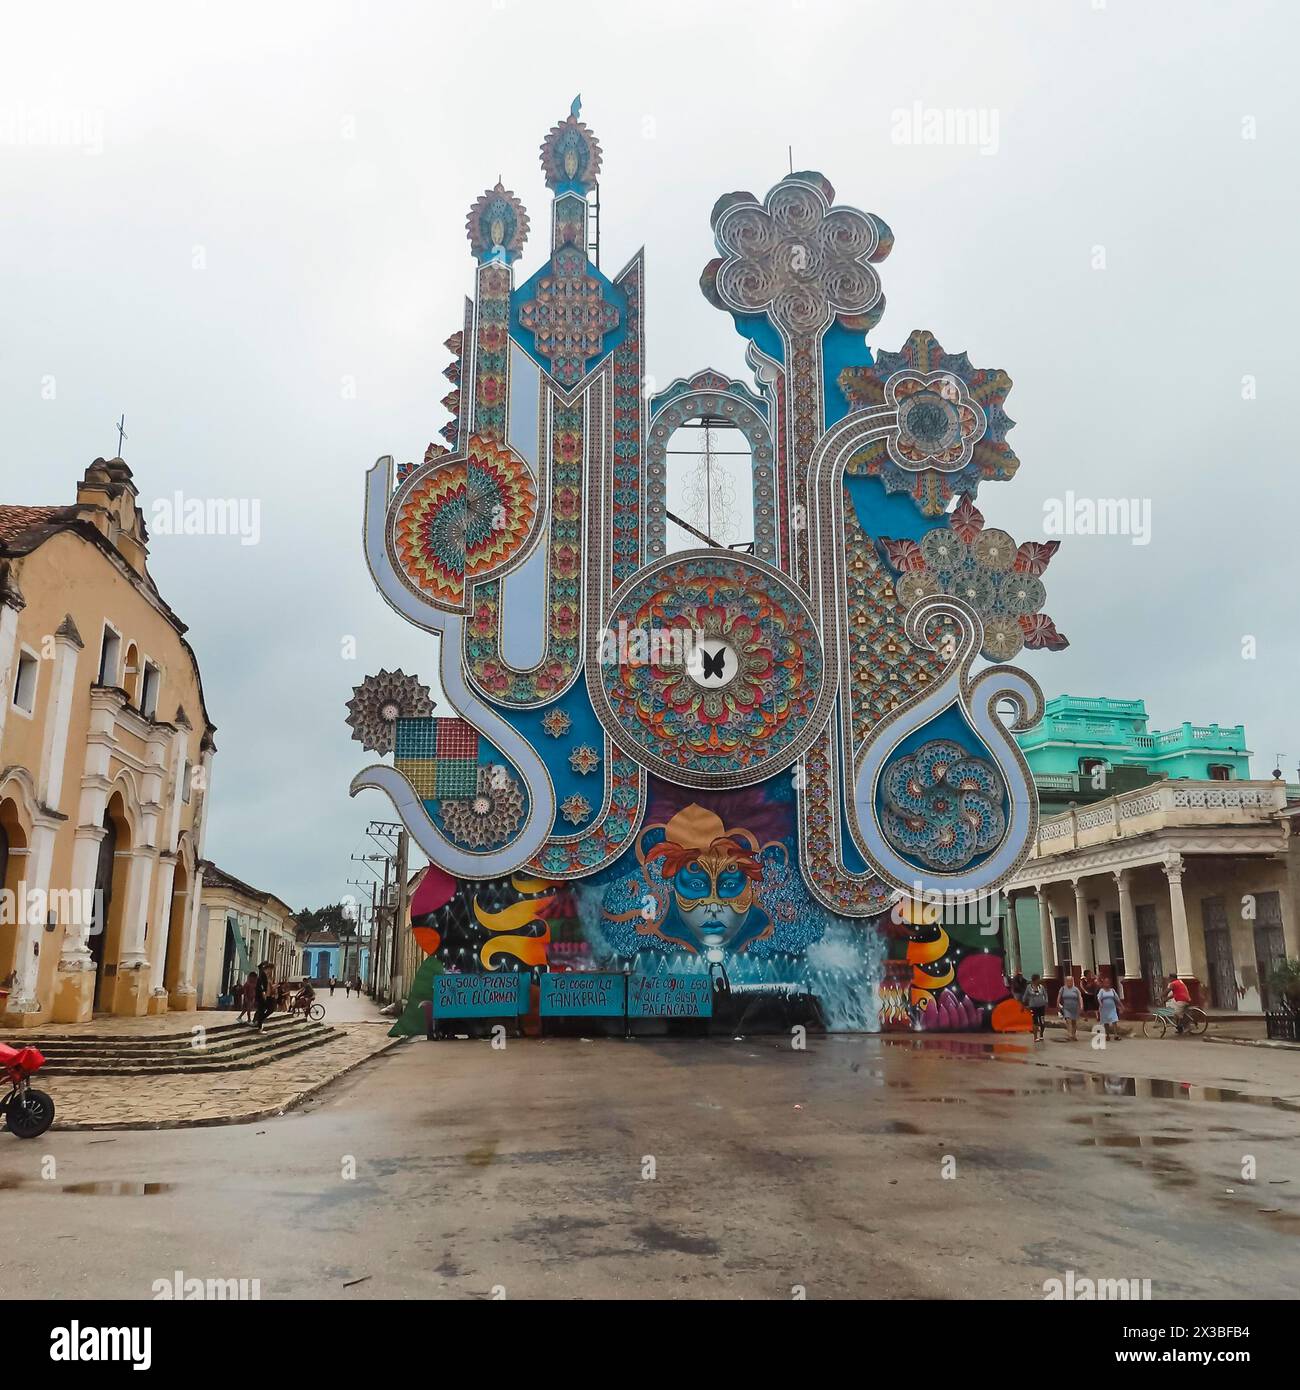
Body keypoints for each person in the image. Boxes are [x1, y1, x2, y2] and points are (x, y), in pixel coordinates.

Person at [1023, 974, 1049, 1041]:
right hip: (1033, 1007)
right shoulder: (1029, 987)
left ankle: (1041, 1034)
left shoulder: (1041, 987)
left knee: (1042, 1022)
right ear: (1035, 980)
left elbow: (1045, 994)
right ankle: (1035, 1037)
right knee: (1035, 1022)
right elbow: (1025, 996)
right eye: (1038, 979)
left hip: (1041, 1006)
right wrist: (1024, 1004)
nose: (1039, 980)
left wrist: (1046, 1002)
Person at [1058, 975, 1082, 1040]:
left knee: (1074, 1021)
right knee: (1068, 1020)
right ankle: (1069, 1034)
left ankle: (1074, 1035)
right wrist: (1058, 1004)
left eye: (1071, 981)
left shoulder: (1076, 989)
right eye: (1068, 981)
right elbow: (1059, 997)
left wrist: (1081, 1005)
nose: (1069, 982)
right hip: (1066, 1008)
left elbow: (1080, 997)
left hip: (1074, 1008)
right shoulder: (1063, 989)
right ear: (1066, 981)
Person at [254, 962, 276, 1031]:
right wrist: (263, 993)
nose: (271, 972)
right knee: (263, 1009)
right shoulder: (262, 975)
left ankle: (259, 1021)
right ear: (268, 968)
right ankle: (259, 1024)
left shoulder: (266, 976)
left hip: (266, 996)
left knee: (269, 1009)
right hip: (263, 996)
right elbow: (261, 986)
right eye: (271, 970)